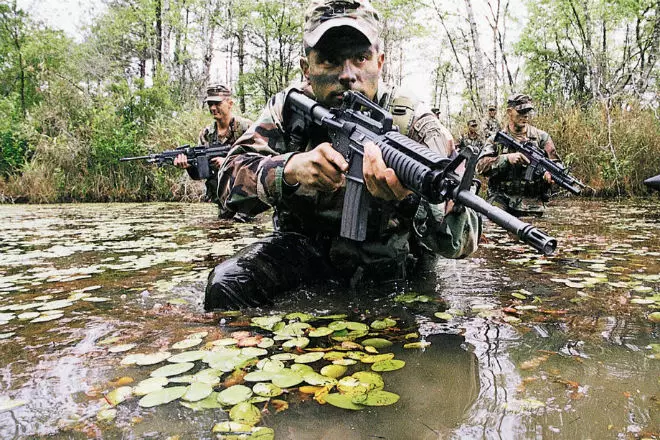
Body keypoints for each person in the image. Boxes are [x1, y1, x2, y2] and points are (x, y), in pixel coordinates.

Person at [203, 0, 482, 310]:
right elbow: (228, 182)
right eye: (330, 61)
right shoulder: (289, 110)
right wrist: (290, 169)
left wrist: (409, 199)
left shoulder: (413, 122)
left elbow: (464, 240)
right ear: (306, 69)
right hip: (307, 252)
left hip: (395, 263)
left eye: (360, 58)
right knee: (226, 284)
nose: (348, 75)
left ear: (380, 62)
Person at [174, 84, 253, 220]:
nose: (212, 108)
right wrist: (189, 166)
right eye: (210, 104)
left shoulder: (247, 128)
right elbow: (201, 174)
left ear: (230, 103)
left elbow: (260, 161)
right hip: (222, 203)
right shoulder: (206, 134)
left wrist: (229, 163)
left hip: (248, 201)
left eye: (217, 103)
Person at [476, 93, 560, 217]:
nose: (525, 115)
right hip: (500, 201)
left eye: (527, 111)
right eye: (521, 111)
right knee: (493, 231)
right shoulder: (496, 139)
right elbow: (480, 167)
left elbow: (556, 164)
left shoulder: (541, 137)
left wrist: (550, 175)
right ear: (509, 112)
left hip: (532, 203)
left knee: (534, 234)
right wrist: (505, 159)